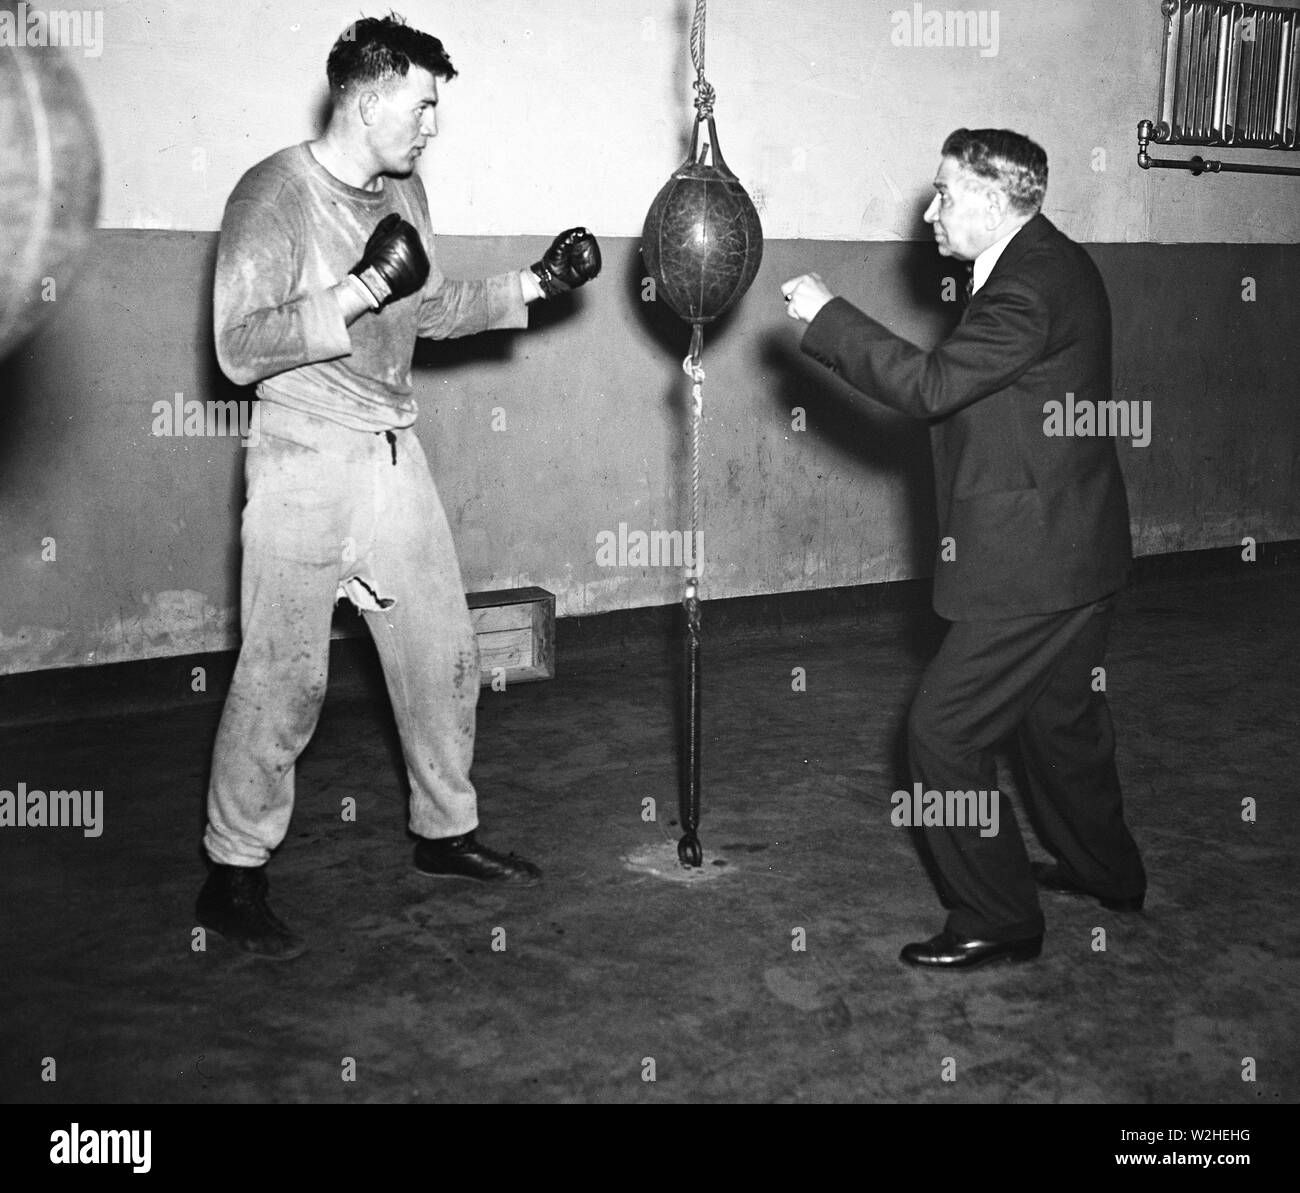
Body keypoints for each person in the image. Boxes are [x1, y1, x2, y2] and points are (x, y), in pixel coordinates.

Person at [197, 14, 600, 960]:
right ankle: (234, 870)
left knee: (442, 652)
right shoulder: (273, 194)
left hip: (391, 448)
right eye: (421, 106)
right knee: (284, 677)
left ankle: (445, 834)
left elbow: (432, 306)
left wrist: (537, 283)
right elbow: (237, 348)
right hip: (303, 452)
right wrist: (356, 291)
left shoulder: (404, 187)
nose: (431, 127)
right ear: (369, 99)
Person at [782, 128, 1145, 970]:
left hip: (1036, 560)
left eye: (944, 193)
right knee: (1062, 722)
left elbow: (931, 388)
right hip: (1077, 543)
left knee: (942, 735)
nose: (930, 208)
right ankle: (1107, 871)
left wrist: (827, 317)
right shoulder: (1048, 263)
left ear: (990, 202)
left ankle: (997, 917)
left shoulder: (1025, 289)